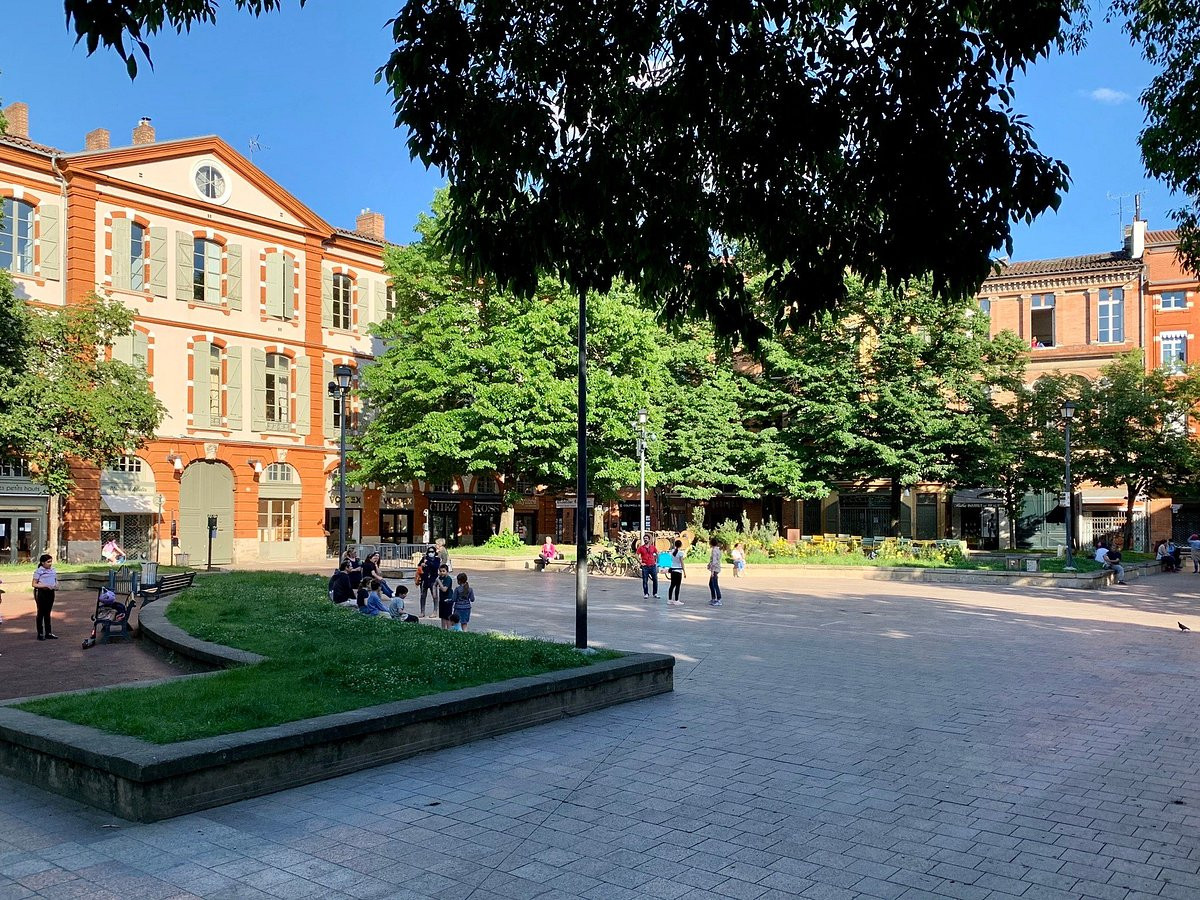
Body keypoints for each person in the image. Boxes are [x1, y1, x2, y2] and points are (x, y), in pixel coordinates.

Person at [32, 553, 58, 640]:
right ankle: (40, 633)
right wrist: (44, 586)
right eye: (48, 562)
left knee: (48, 612)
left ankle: (48, 632)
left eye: (51, 561)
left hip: (50, 592)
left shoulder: (53, 570)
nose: (50, 563)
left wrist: (55, 585)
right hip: (41, 593)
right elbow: (34, 584)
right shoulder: (39, 571)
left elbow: (55, 580)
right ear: (43, 563)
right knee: (41, 613)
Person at [635, 533, 659, 600]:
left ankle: (655, 593)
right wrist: (640, 562)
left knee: (655, 580)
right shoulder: (641, 548)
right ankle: (646, 593)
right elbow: (636, 555)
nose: (645, 540)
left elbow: (657, 553)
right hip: (645, 566)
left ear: (649, 539)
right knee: (645, 580)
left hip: (652, 565)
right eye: (644, 539)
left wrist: (656, 561)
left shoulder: (652, 547)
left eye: (646, 539)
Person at [419, 545, 441, 616]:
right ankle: (422, 612)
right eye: (429, 552)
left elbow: (435, 567)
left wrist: (427, 562)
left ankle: (435, 611)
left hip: (433, 580)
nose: (430, 553)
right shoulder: (424, 558)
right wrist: (422, 564)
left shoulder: (437, 559)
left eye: (432, 551)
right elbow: (419, 566)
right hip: (424, 579)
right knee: (423, 596)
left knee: (434, 595)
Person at [667, 540, 686, 606]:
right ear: (681, 545)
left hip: (672, 570)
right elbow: (682, 563)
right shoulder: (680, 553)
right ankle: (676, 600)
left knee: (672, 585)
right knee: (677, 586)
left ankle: (669, 599)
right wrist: (684, 572)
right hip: (678, 571)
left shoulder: (672, 552)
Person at [706, 537, 723, 607]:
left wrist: (712, 571)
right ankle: (713, 598)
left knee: (715, 584)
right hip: (716, 568)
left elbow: (714, 561)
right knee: (711, 584)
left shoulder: (714, 551)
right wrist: (709, 564)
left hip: (715, 569)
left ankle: (718, 599)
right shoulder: (718, 550)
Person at [437, 564, 455, 629]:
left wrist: (439, 582)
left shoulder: (448, 579)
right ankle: (443, 629)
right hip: (442, 599)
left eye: (443, 571)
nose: (442, 572)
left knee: (447, 616)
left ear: (447, 571)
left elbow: (444, 589)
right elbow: (434, 585)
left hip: (448, 599)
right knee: (442, 616)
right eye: (440, 571)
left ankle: (449, 629)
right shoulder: (440, 578)